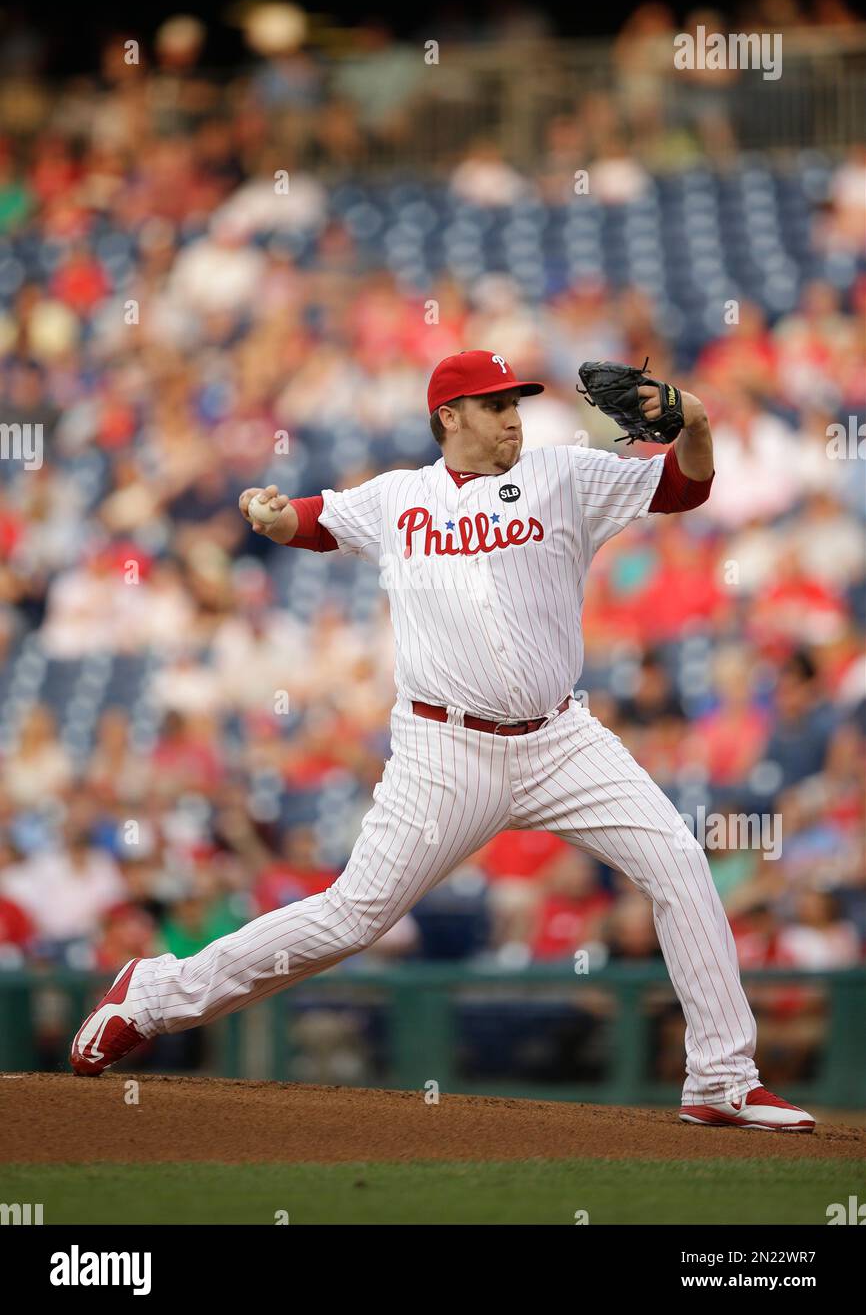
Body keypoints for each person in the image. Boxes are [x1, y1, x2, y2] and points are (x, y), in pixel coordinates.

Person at [70, 350, 815, 1131]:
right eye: (496, 407)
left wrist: (693, 418)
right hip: (445, 750)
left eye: (517, 404)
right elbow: (315, 520)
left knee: (678, 859)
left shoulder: (565, 474)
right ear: (449, 418)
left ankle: (722, 1077)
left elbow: (684, 486)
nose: (513, 419)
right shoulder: (400, 498)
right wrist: (270, 513)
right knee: (350, 918)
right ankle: (152, 994)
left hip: (561, 739)